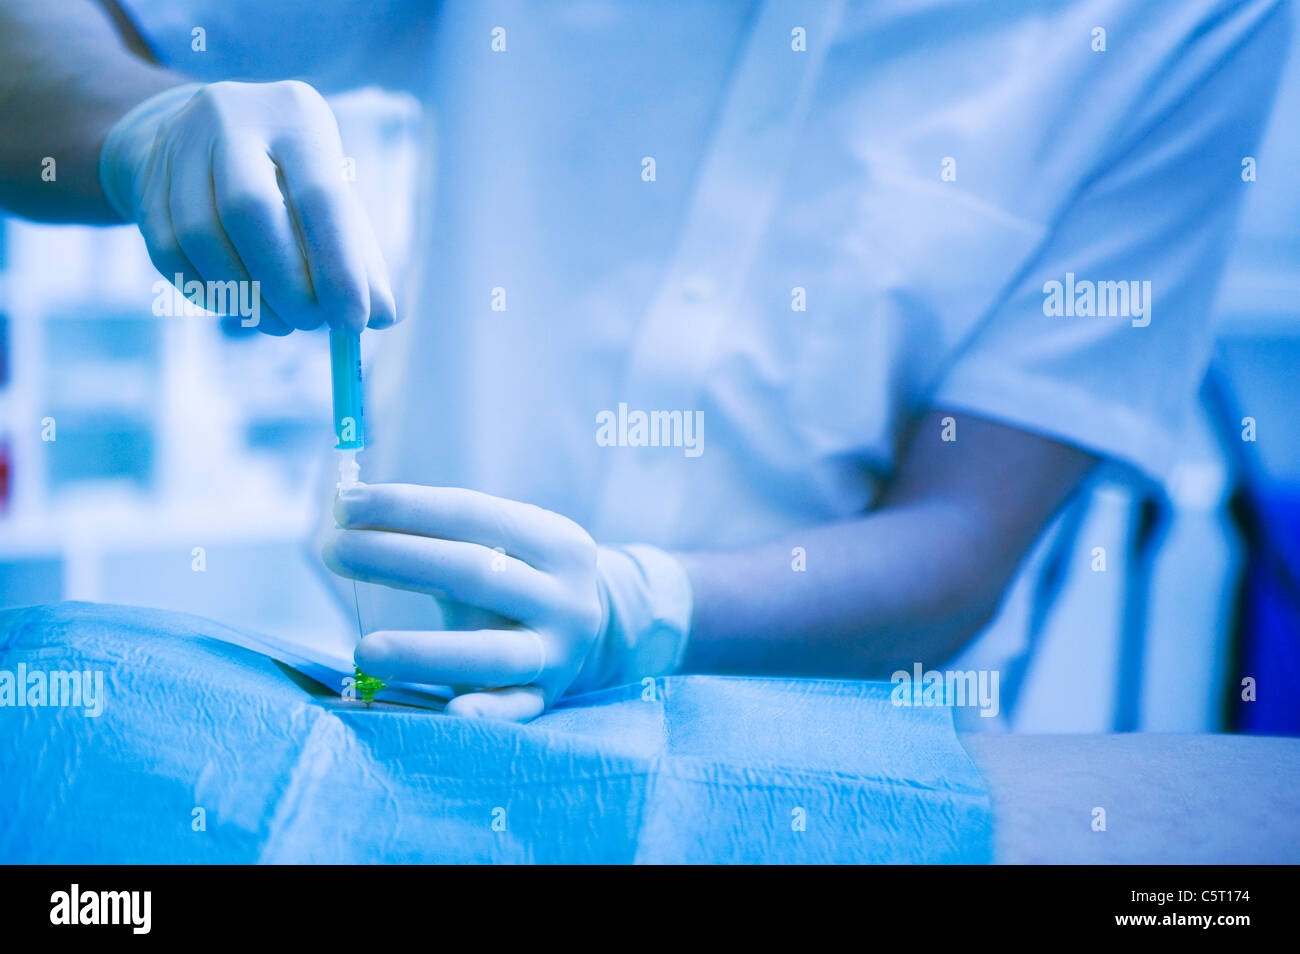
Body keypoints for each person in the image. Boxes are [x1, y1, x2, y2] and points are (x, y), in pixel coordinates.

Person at [0, 0, 1288, 721]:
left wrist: (643, 609)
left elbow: (962, 539)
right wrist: (140, 126)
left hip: (824, 772)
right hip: (411, 727)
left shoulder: (1189, 23)